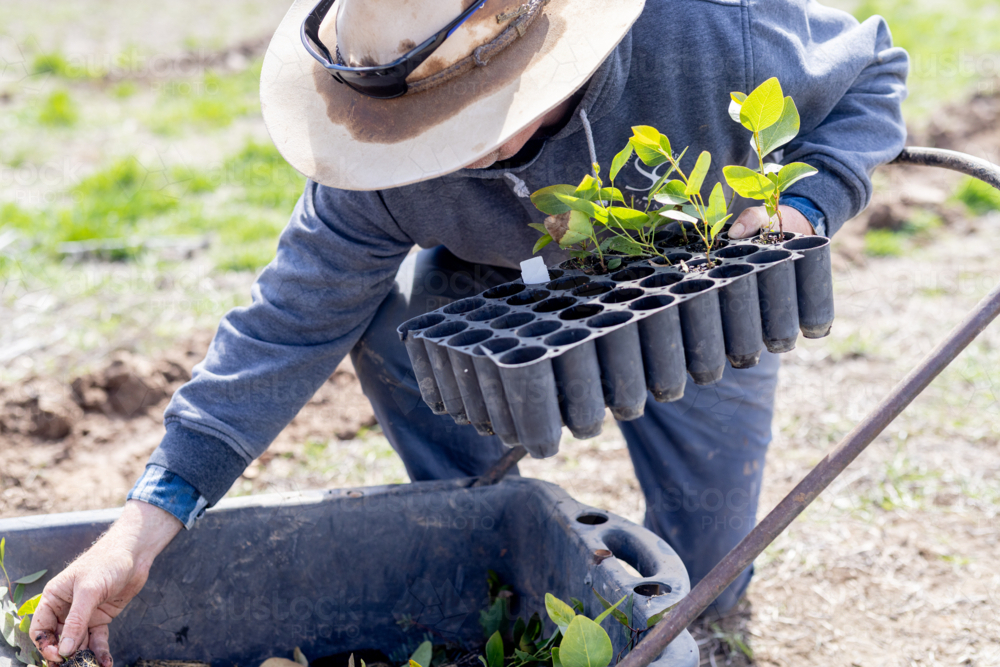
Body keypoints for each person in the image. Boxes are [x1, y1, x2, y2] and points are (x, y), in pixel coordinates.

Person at [31, 0, 908, 664]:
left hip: (688, 282)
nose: (441, 150)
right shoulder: (376, 150)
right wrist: (143, 525)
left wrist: (804, 203)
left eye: (469, 115)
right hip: (492, 289)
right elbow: (288, 322)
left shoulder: (707, 35)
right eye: (422, 129)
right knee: (378, 317)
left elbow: (874, 71)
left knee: (707, 580)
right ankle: (474, 521)